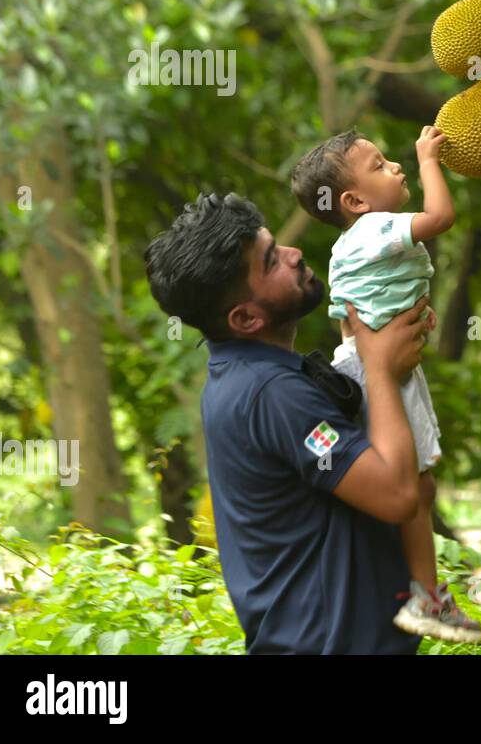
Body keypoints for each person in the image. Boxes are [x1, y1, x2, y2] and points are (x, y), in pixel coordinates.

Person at [144, 192, 432, 654]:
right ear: (245, 318)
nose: (295, 255)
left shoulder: (249, 377)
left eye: (278, 245)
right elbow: (397, 496)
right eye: (272, 261)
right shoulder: (273, 395)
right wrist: (380, 368)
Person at [290, 126, 481, 643]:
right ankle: (425, 595)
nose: (395, 167)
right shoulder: (376, 229)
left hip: (371, 363)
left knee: (418, 484)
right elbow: (441, 218)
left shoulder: (352, 242)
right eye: (380, 165)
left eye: (393, 160)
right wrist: (428, 159)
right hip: (383, 373)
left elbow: (364, 307)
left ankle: (421, 589)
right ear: (353, 200)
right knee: (412, 486)